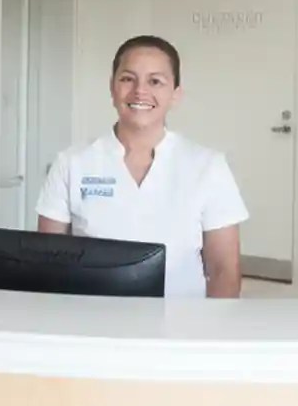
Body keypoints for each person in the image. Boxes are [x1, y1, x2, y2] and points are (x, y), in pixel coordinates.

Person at [35, 35, 248, 298]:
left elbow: (223, 268)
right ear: (112, 88)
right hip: (92, 321)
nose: (140, 91)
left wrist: (209, 335)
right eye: (127, 79)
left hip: (182, 324)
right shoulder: (71, 163)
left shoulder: (208, 166)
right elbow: (47, 264)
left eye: (155, 81)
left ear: (175, 95)